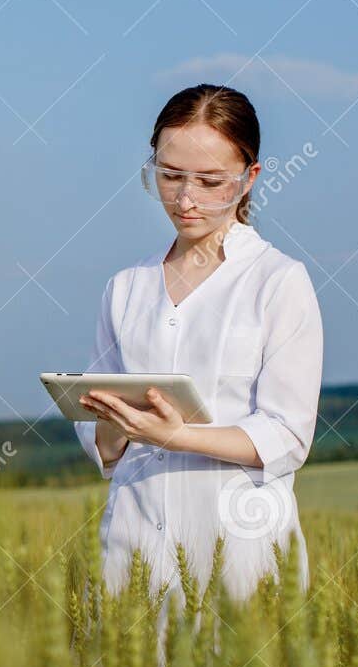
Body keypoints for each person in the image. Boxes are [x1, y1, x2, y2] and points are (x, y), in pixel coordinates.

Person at [73, 84, 323, 601]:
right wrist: (115, 424)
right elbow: (105, 451)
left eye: (210, 181)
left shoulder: (278, 281)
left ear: (249, 178)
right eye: (170, 177)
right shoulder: (125, 288)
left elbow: (288, 436)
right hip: (133, 554)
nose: (186, 199)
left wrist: (176, 436)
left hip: (242, 557)